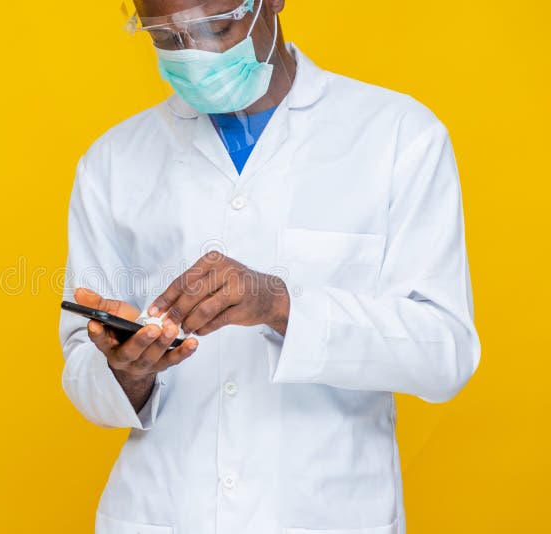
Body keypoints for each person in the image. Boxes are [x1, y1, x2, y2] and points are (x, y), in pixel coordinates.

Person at [58, 1, 481, 533]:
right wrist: (128, 371)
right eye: (166, 38)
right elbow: (84, 372)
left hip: (326, 516)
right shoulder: (113, 161)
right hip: (162, 512)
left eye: (215, 26)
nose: (195, 54)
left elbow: (445, 354)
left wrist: (282, 306)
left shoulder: (398, 137)